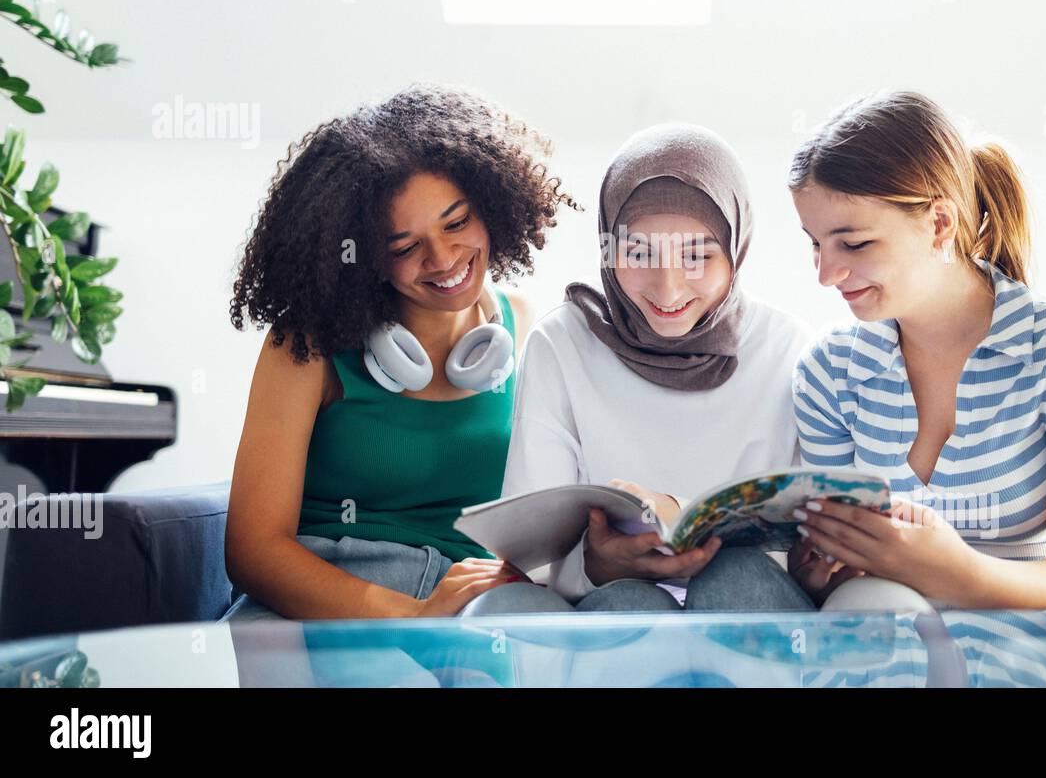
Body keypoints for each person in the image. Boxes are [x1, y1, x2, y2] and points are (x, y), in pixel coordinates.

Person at [220, 83, 578, 621]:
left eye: (456, 223)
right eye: (404, 247)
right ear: (364, 258)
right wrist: (412, 615)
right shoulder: (307, 343)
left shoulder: (528, 326)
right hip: (326, 601)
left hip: (474, 609)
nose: (443, 258)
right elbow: (252, 552)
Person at [786, 90, 1046, 613]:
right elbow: (839, 578)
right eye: (815, 244)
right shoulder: (827, 372)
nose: (825, 275)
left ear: (940, 224)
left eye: (854, 244)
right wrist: (816, 575)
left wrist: (957, 573)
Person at [462, 122, 816, 615]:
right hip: (608, 611)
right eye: (637, 253)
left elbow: (803, 542)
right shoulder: (561, 344)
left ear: (737, 249)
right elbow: (531, 557)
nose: (667, 290)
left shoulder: (788, 351)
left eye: (698, 256)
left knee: (736, 577)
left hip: (745, 607)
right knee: (625, 602)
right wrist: (599, 566)